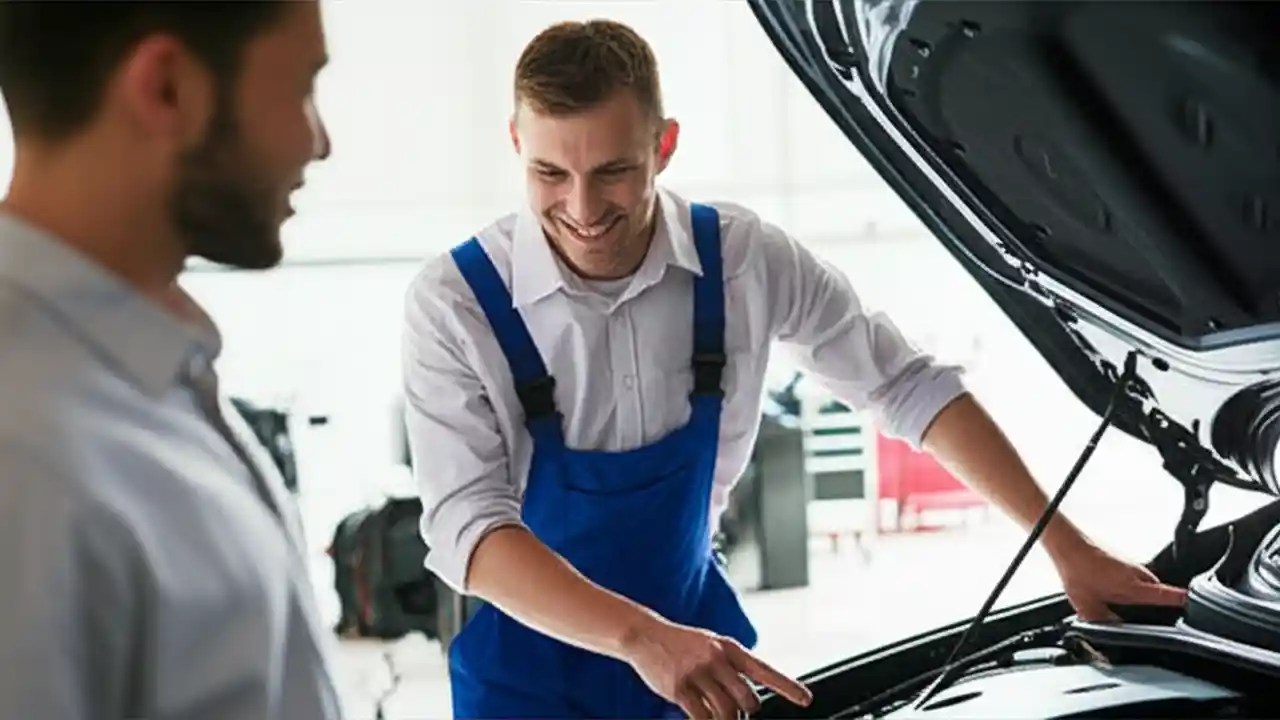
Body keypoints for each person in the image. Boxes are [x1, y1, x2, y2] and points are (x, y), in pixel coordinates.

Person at [401, 19, 1188, 719]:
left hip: (703, 663)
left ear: (663, 146)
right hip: (525, 684)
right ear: (515, 143)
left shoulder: (745, 262)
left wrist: (1066, 545)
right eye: (549, 174)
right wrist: (643, 640)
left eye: (612, 171)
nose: (580, 206)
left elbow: (908, 386)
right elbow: (470, 529)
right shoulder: (455, 302)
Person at [0, 3, 340, 719]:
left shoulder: (146, 376)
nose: (319, 142)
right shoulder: (26, 459)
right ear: (167, 90)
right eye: (304, 89)